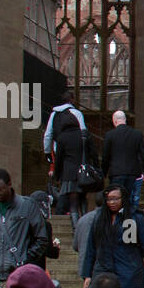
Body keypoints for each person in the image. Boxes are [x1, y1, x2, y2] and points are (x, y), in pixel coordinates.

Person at [79, 184, 144, 288]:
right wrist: (87, 274)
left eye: (115, 199)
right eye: (109, 199)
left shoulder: (136, 218)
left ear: (123, 198)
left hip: (129, 271)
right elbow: (91, 247)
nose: (112, 202)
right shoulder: (99, 218)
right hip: (103, 271)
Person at [0, 169, 49, 282]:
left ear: (9, 185)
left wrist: (25, 261)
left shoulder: (27, 206)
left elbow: (41, 239)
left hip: (19, 276)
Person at [42, 92, 89, 227]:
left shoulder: (54, 114)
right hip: (78, 157)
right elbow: (84, 133)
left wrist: (47, 152)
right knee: (78, 190)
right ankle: (78, 220)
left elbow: (48, 135)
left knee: (65, 185)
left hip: (60, 154)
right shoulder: (77, 113)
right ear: (72, 100)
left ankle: (63, 213)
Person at [102, 110, 144, 210]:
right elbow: (143, 154)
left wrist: (103, 172)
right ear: (125, 120)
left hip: (116, 172)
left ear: (114, 121)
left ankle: (118, 220)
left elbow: (106, 156)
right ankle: (128, 219)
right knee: (128, 198)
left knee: (115, 198)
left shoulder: (110, 135)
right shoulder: (137, 134)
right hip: (132, 172)